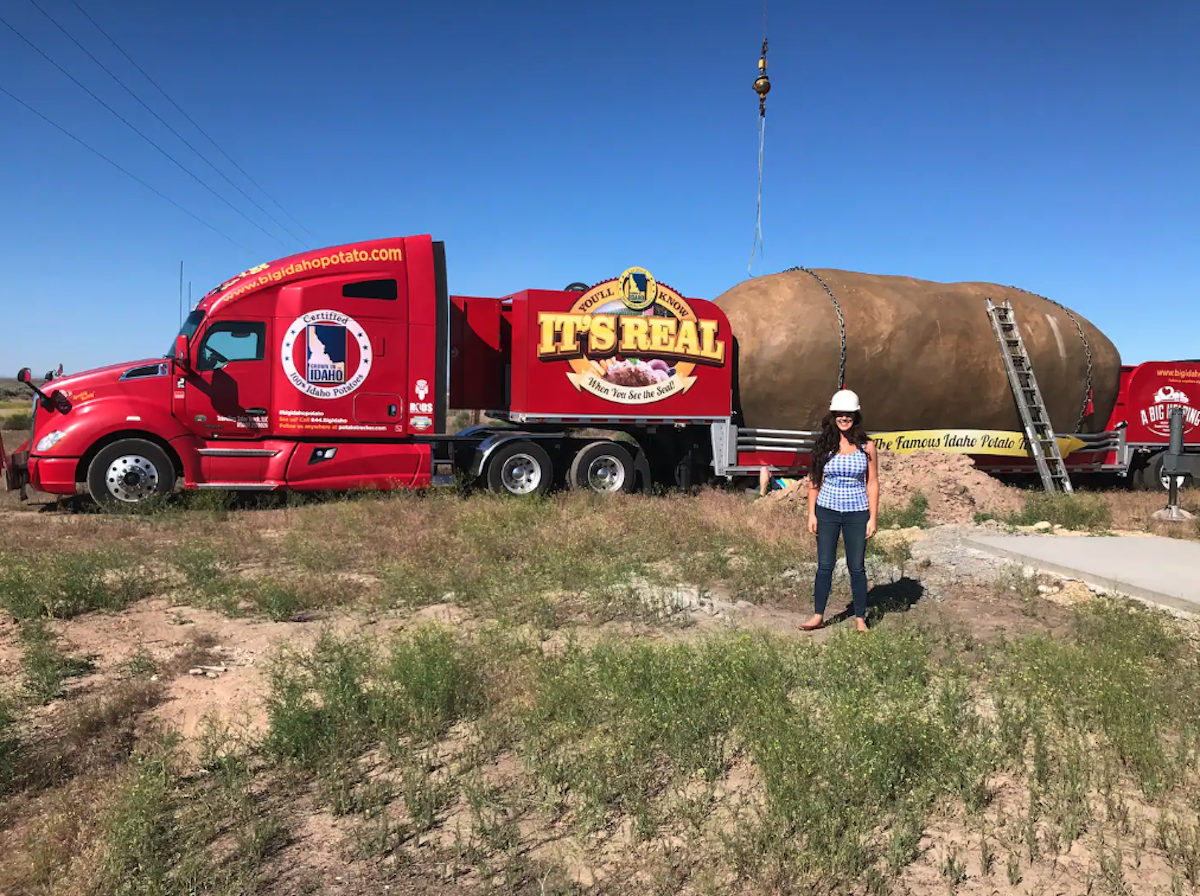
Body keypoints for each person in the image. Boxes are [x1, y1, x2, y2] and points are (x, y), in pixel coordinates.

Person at [800, 389, 879, 633]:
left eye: (849, 414)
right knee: (825, 565)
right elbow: (814, 482)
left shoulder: (867, 446)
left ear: (856, 416)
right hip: (827, 512)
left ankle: (860, 618)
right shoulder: (824, 446)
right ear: (833, 416)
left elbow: (872, 483)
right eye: (840, 414)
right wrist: (811, 514)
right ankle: (818, 615)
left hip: (857, 513)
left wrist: (872, 518)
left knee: (857, 566)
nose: (844, 418)